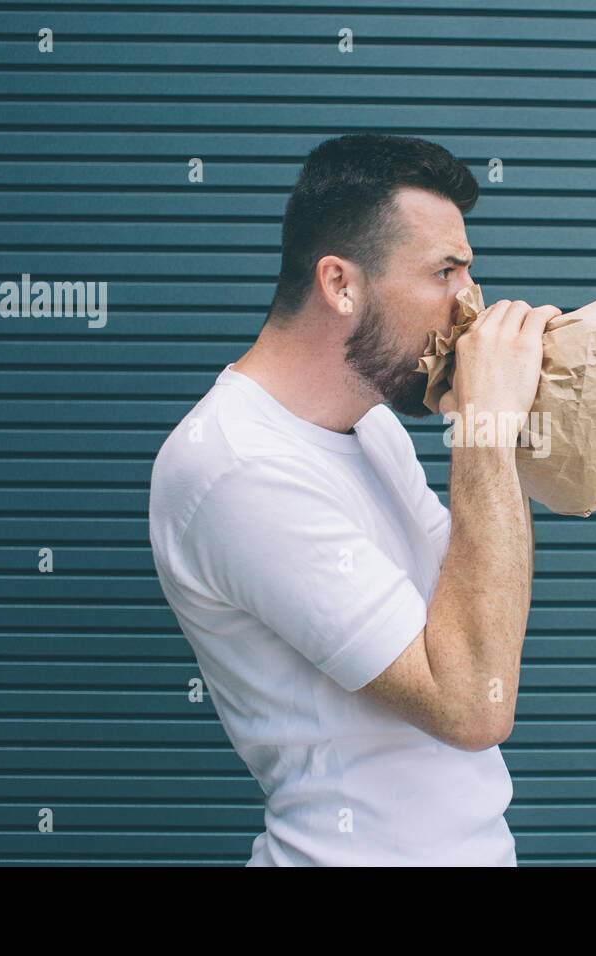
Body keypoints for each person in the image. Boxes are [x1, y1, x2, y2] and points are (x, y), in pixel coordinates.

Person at [147, 132, 559, 865]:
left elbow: (478, 613)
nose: (472, 307)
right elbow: (474, 702)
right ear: (340, 284)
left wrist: (503, 425)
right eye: (445, 273)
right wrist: (485, 427)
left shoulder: (372, 426)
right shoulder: (237, 465)